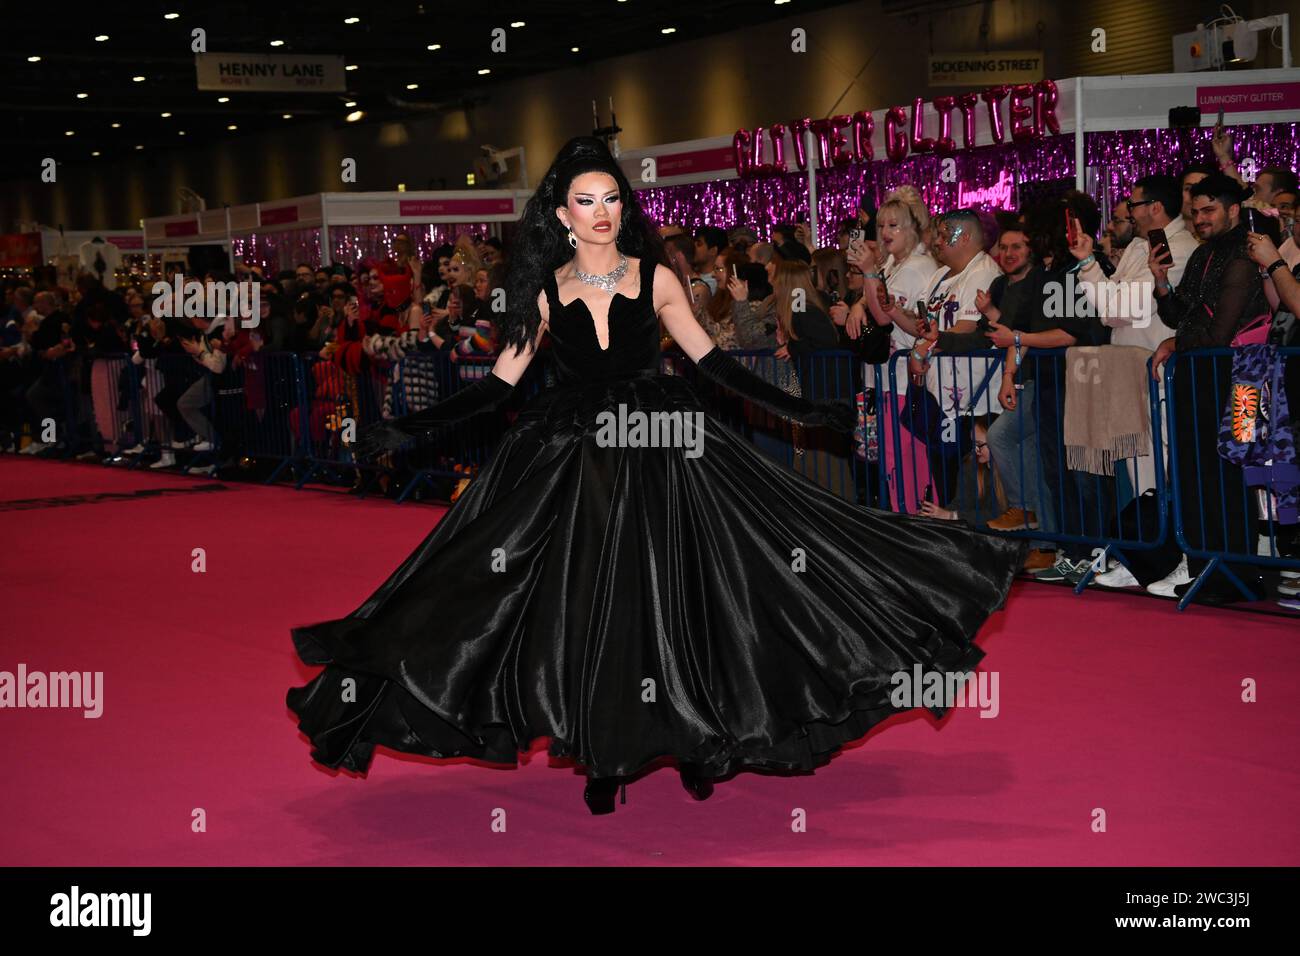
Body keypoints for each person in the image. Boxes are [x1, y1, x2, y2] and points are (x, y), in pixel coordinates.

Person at [286, 136, 1026, 815]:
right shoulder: (542, 293)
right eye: (586, 200)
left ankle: (699, 735)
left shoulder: (658, 280)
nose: (603, 213)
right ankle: (608, 751)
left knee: (683, 596)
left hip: (666, 449)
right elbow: (498, 387)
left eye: (612, 198)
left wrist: (808, 413)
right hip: (573, 460)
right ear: (562, 214)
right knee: (580, 603)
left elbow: (716, 365)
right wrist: (402, 429)